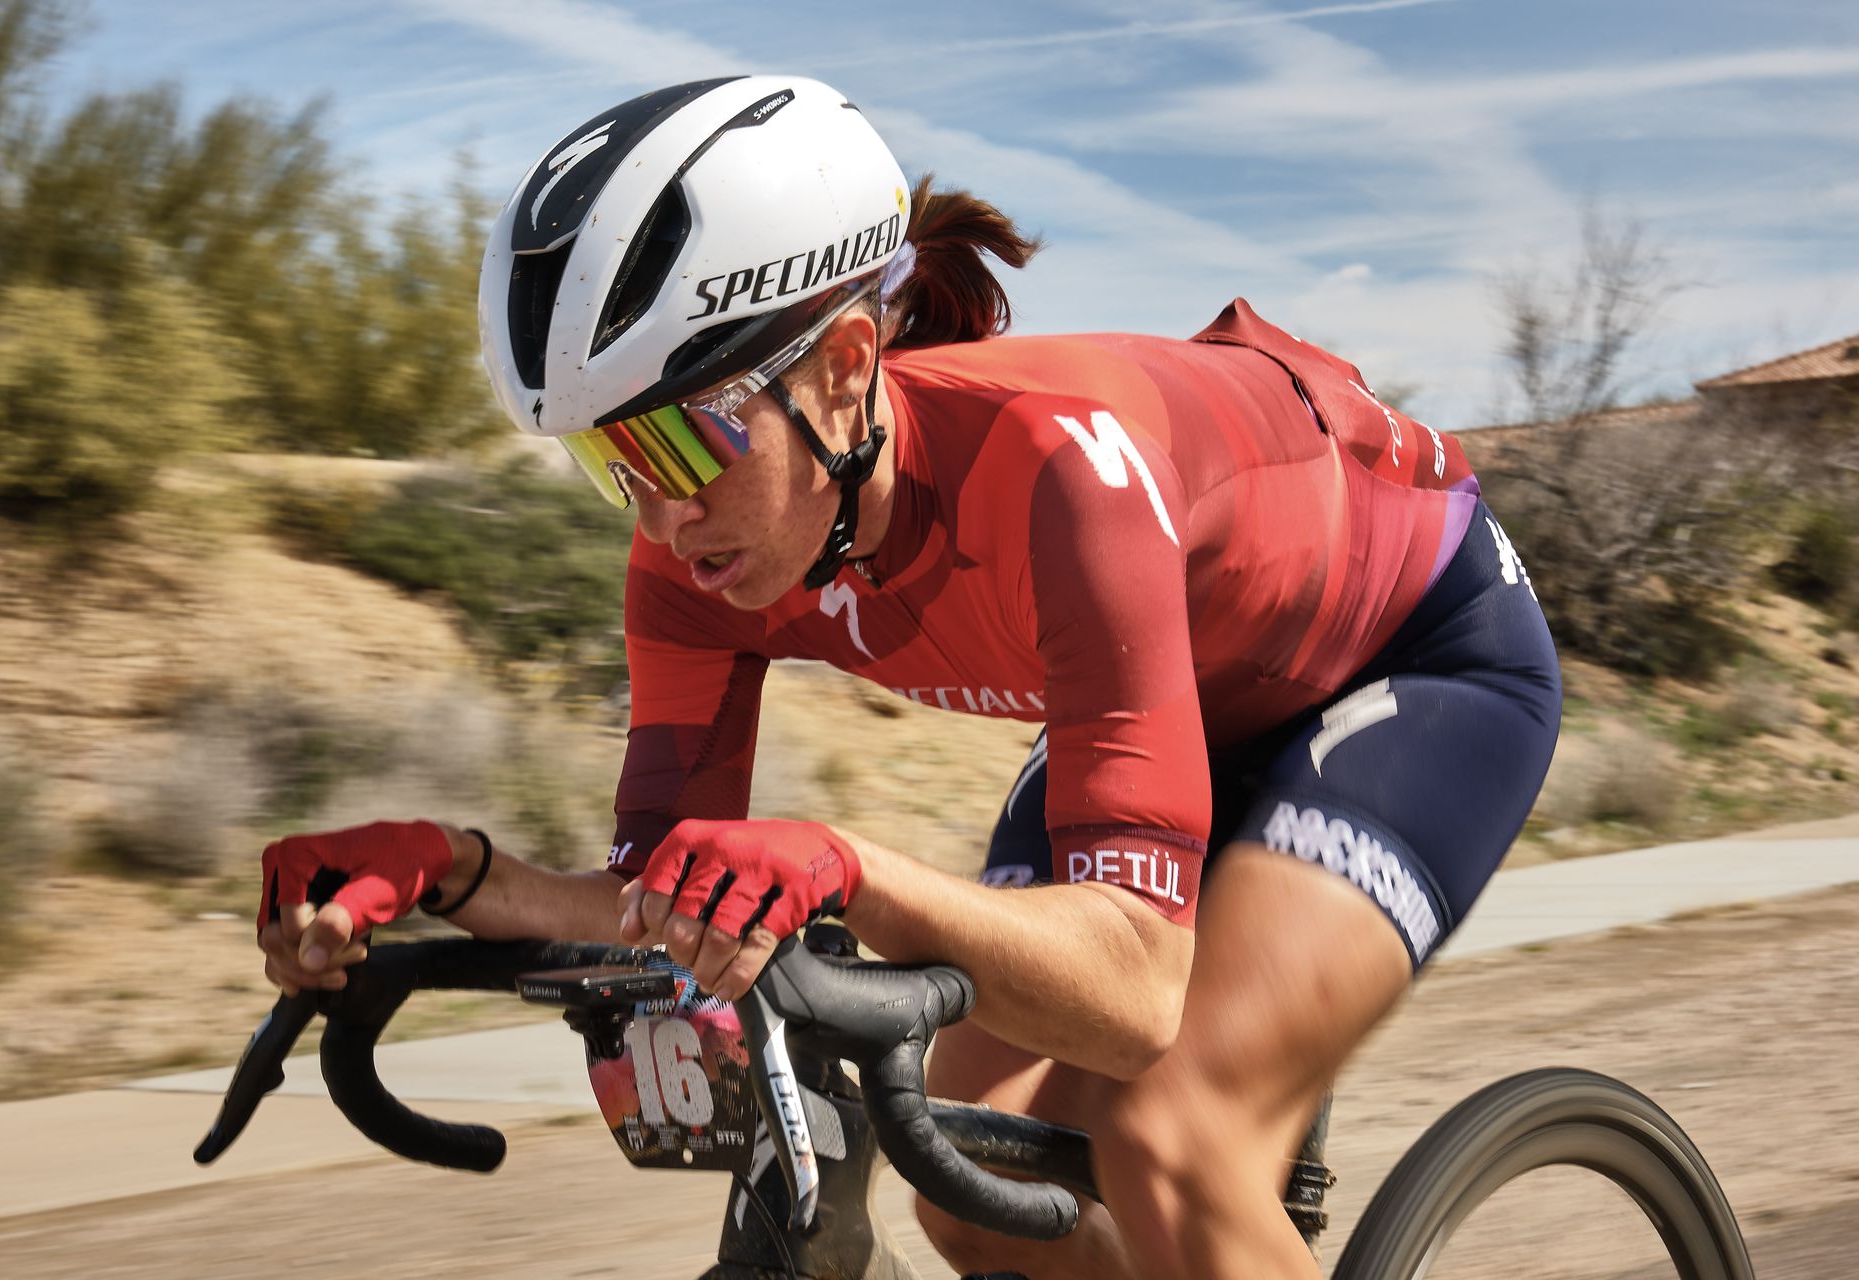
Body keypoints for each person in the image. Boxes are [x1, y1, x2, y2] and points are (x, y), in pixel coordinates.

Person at [256, 75, 1562, 1280]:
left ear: (843, 373)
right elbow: (662, 902)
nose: (657, 520)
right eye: (613, 466)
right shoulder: (698, 563)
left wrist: (847, 864)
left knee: (1176, 1138)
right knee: (970, 1176)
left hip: (1412, 659)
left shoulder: (1061, 477)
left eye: (676, 442)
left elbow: (1138, 995)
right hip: (1176, 693)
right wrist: (458, 872)